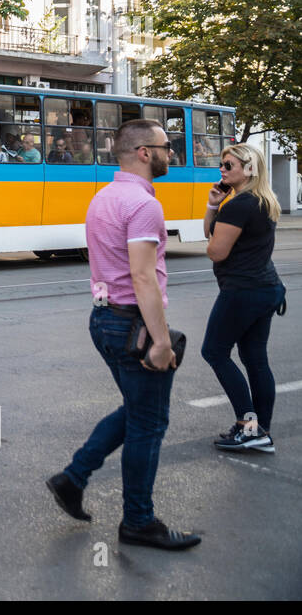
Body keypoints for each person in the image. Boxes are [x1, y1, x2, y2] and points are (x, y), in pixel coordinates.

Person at [47, 119, 200, 549]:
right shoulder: (144, 205)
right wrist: (163, 340)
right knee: (150, 422)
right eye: (167, 147)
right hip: (132, 322)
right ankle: (137, 521)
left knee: (136, 410)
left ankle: (73, 478)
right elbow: (143, 276)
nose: (172, 154)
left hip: (104, 319)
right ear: (144, 153)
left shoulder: (103, 197)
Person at [201, 143, 286, 453]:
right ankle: (260, 431)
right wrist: (213, 206)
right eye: (221, 165)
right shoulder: (265, 201)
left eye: (229, 165)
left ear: (249, 168)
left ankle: (247, 426)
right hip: (266, 288)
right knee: (254, 358)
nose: (222, 170)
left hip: (243, 290)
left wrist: (212, 241)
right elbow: (213, 233)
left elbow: (215, 249)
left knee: (214, 351)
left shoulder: (240, 206)